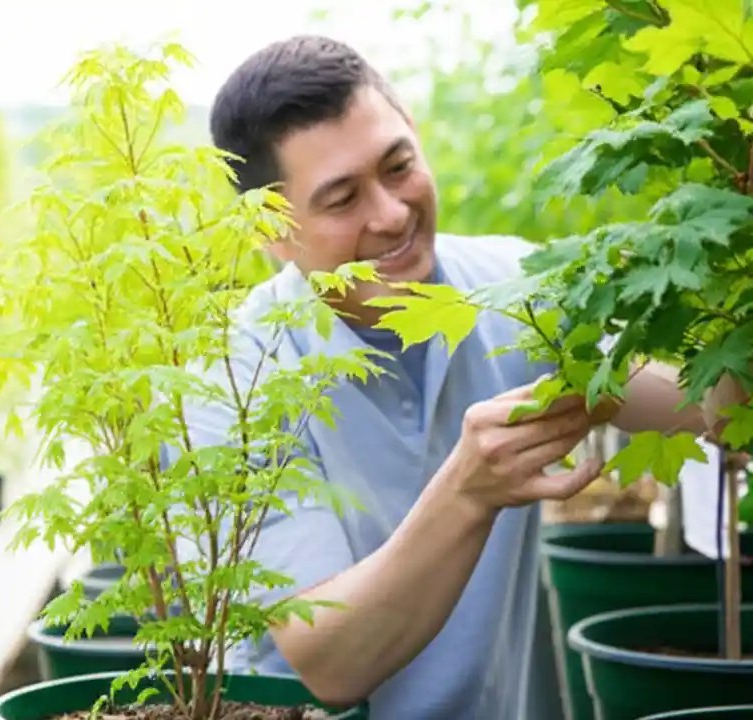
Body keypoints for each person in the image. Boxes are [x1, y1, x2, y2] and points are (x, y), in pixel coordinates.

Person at [179, 35, 735, 719]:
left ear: (412, 128)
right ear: (270, 230)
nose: (389, 214)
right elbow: (332, 662)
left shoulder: (516, 288)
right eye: (342, 198)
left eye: (398, 165)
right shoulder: (231, 386)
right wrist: (468, 491)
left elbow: (716, 403)